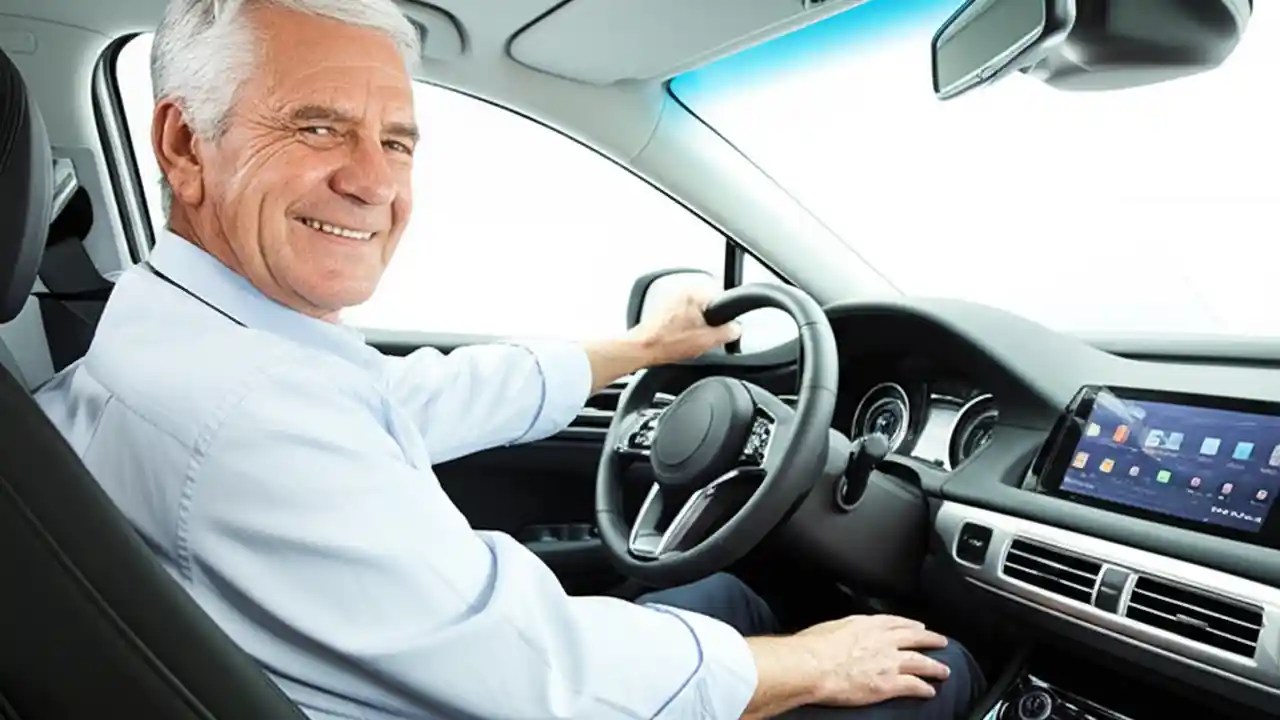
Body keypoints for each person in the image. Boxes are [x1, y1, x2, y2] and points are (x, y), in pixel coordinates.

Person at [35, 0, 984, 718]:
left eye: (396, 140)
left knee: (737, 595)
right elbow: (540, 677)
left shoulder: (176, 331)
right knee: (936, 679)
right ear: (182, 143)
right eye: (317, 126)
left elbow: (412, 396)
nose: (372, 180)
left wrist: (643, 349)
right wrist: (817, 663)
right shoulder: (251, 412)